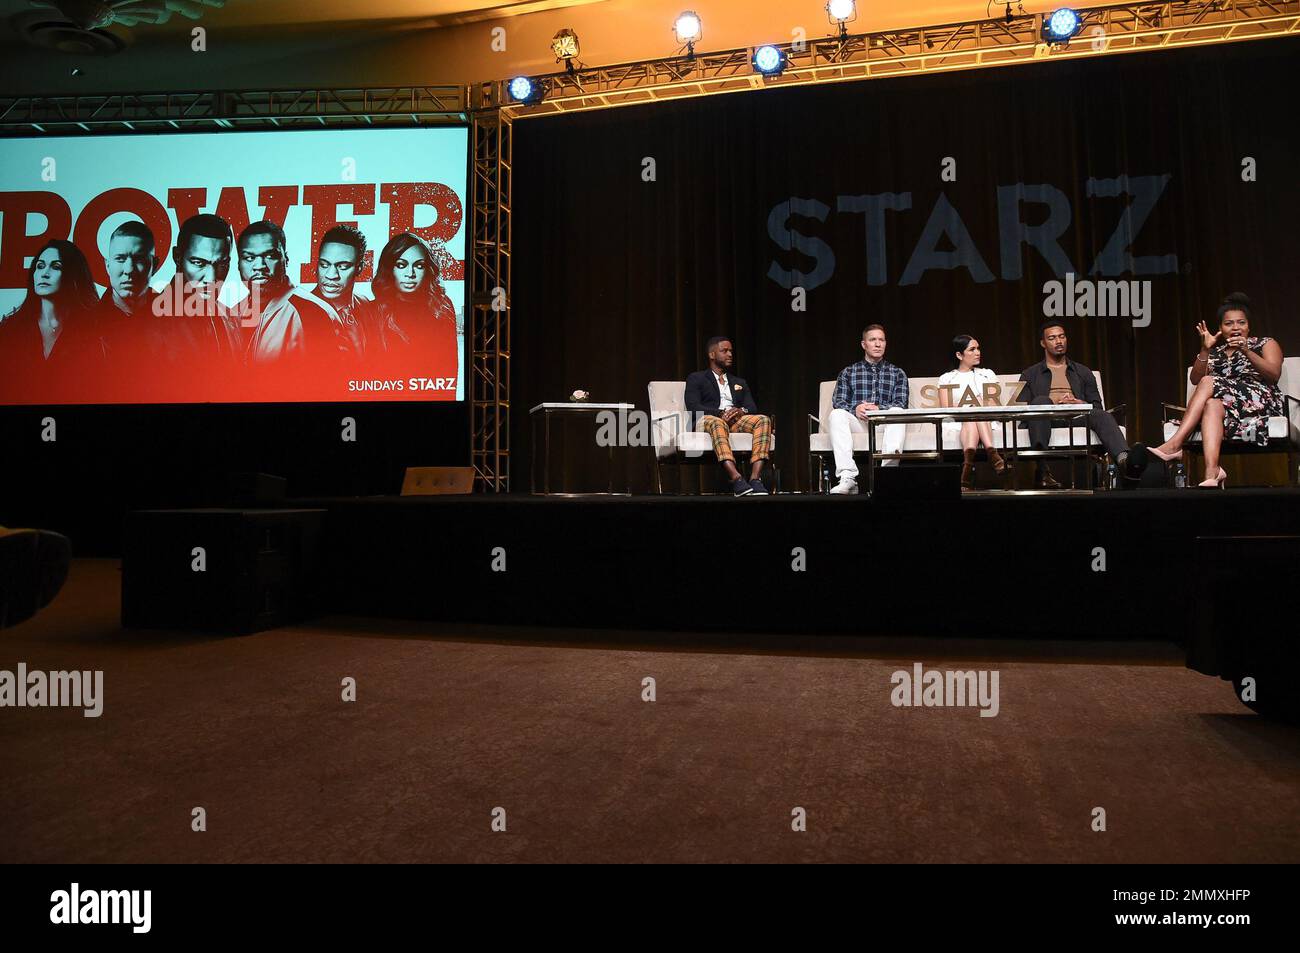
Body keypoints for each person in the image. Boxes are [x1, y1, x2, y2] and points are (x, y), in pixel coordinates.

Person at [1151, 292, 1284, 488]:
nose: (1235, 327)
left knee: (1208, 381)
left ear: (1249, 326)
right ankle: (1212, 471)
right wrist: (1205, 349)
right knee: (1212, 404)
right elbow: (1195, 379)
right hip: (1226, 406)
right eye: (1229, 324)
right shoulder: (1216, 352)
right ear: (1221, 328)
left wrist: (1246, 351)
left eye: (1241, 322)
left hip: (1258, 401)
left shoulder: (1264, 343)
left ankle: (1175, 444)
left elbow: (1273, 374)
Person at [1017, 321, 1130, 489]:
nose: (1059, 341)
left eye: (1062, 336)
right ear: (1043, 343)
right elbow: (1022, 406)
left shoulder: (1083, 372)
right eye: (1052, 338)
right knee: (1041, 401)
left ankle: (1126, 463)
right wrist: (1053, 404)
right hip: (1045, 420)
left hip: (1076, 417)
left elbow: (1097, 406)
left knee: (1101, 414)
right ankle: (1042, 470)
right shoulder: (1030, 373)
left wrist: (1080, 403)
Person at [0, 240, 102, 402]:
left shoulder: (94, 333)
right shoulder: (10, 330)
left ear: (72, 274)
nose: (44, 273)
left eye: (56, 267)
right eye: (40, 266)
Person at [241, 220, 348, 367]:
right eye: (249, 258)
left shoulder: (314, 312)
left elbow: (332, 383)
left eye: (270, 256)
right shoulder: (233, 314)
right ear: (239, 264)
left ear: (286, 259)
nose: (259, 266)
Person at [684, 337, 774, 496]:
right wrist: (719, 413)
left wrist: (741, 411)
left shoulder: (739, 382)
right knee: (717, 422)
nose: (730, 354)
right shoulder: (696, 378)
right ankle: (736, 478)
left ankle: (755, 479)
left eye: (731, 351)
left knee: (763, 420)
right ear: (712, 355)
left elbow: (752, 407)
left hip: (735, 421)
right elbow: (693, 406)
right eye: (724, 351)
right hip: (706, 420)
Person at [368, 232, 458, 388]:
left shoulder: (441, 306)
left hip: (430, 404)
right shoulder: (371, 311)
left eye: (419, 265)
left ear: (428, 269)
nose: (410, 274)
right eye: (401, 265)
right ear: (389, 269)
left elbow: (449, 372)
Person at [827, 324, 909, 495]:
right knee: (836, 414)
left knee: (897, 412)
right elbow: (838, 401)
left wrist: (879, 408)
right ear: (864, 344)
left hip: (884, 424)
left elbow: (901, 402)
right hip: (859, 423)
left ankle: (887, 476)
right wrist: (855, 409)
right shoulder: (849, 372)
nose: (878, 344)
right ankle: (847, 477)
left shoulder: (897, 372)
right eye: (873, 340)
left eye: (881, 340)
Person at [938, 334, 1006, 491]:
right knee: (970, 412)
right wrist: (967, 406)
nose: (978, 352)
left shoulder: (987, 374)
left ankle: (967, 465)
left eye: (978, 348)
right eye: (972, 349)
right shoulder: (946, 378)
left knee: (975, 409)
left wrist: (976, 403)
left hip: (986, 420)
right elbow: (946, 409)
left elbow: (993, 403)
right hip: (957, 422)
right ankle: (993, 455)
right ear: (959, 355)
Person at [309, 224, 370, 360]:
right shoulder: (295, 312)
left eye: (342, 267)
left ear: (359, 268)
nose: (331, 275)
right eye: (324, 265)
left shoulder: (366, 305)